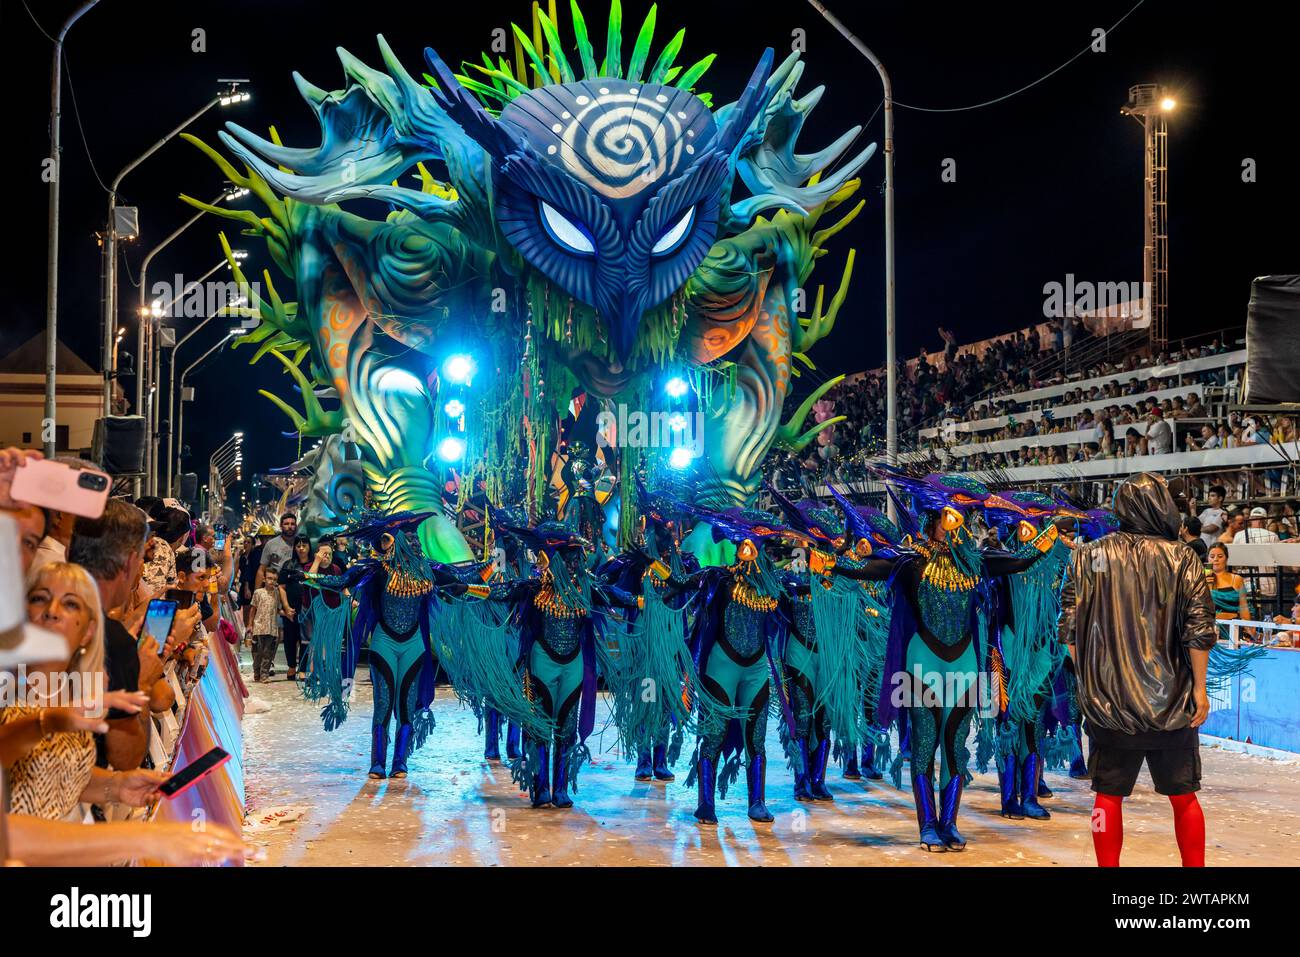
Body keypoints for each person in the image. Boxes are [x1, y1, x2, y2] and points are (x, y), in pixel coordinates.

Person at [1058, 472, 1216, 868]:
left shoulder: (1088, 555)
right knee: (1184, 797)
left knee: (1107, 796)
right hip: (1173, 702)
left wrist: (1093, 679)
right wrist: (1199, 689)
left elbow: (1069, 633)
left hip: (1109, 703)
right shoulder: (1183, 558)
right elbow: (1200, 631)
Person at [1, 563, 163, 821]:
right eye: (40, 599)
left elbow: (62, 774)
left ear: (88, 632)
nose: (51, 612)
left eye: (70, 604)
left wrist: (118, 785)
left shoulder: (74, 687)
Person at [67, 499, 186, 771]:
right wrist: (140, 681)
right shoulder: (108, 637)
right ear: (130, 562)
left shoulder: (59, 619)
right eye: (143, 555)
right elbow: (126, 758)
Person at [1207, 543, 1252, 643]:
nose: (1215, 559)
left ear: (1226, 559)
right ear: (1208, 559)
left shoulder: (1237, 579)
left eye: (1220, 556)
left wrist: (1249, 630)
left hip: (1232, 627)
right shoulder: (1200, 580)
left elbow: (1244, 607)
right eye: (1212, 556)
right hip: (1208, 627)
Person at [249, 565, 282, 682]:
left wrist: (285, 613)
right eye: (269, 578)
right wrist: (250, 625)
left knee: (268, 652)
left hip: (272, 628)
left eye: (274, 579)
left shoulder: (277, 593)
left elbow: (278, 609)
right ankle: (256, 672)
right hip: (259, 627)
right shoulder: (258, 593)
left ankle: (264, 674)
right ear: (264, 579)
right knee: (257, 652)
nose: (271, 581)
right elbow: (253, 609)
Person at [256, 512, 298, 587]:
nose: (290, 526)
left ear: (296, 526)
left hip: (296, 586)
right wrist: (257, 593)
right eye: (286, 524)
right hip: (275, 587)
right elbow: (261, 570)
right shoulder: (271, 544)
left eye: (292, 524)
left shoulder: (301, 543)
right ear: (281, 526)